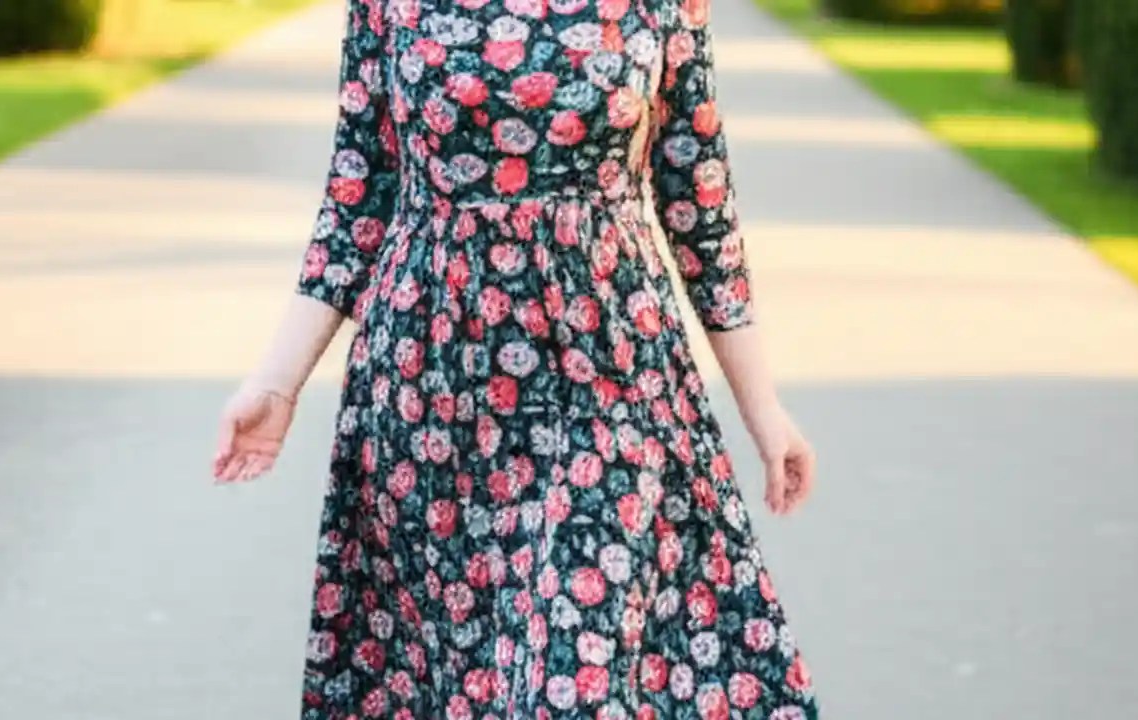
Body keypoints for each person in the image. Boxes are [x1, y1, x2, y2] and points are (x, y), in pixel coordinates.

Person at [213, 0, 820, 715]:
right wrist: (276, 384)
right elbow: (358, 194)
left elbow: (699, 198)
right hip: (433, 397)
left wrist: (763, 406)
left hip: (612, 373)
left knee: (578, 677)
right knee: (467, 686)